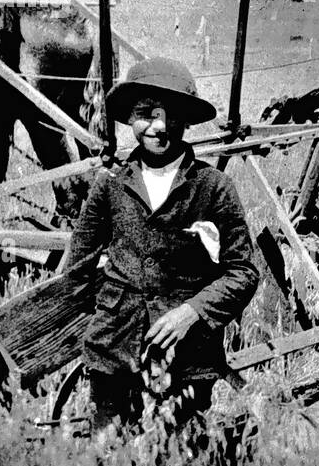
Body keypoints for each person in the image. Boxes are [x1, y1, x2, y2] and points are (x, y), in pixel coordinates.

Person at [65, 56, 260, 430]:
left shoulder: (212, 187)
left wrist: (192, 312)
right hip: (114, 357)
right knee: (113, 465)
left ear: (186, 120)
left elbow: (243, 273)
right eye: (146, 113)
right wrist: (108, 321)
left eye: (171, 115)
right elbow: (76, 272)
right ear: (129, 119)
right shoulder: (109, 185)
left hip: (186, 362)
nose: (159, 126)